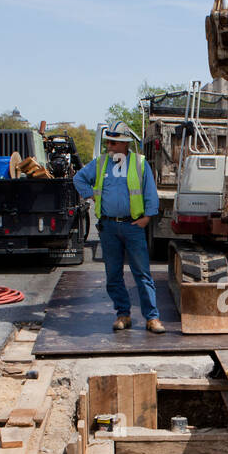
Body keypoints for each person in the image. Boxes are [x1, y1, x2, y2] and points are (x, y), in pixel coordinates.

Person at [72, 120, 164, 333]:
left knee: (142, 274)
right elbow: (79, 179)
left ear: (125, 144)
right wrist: (91, 195)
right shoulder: (100, 163)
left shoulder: (140, 164)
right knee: (113, 274)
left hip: (133, 226)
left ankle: (152, 318)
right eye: (109, 143)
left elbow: (150, 192)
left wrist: (147, 218)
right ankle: (123, 315)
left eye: (114, 143)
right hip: (109, 228)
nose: (110, 147)